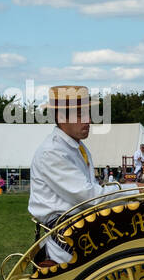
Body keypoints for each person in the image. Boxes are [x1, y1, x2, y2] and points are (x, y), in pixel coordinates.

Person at [30, 85, 136, 265]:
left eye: (87, 113)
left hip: (80, 226)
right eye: (80, 115)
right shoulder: (53, 152)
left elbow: (91, 192)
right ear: (61, 117)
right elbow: (90, 197)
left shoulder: (76, 147)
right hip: (67, 237)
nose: (88, 120)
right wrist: (136, 191)